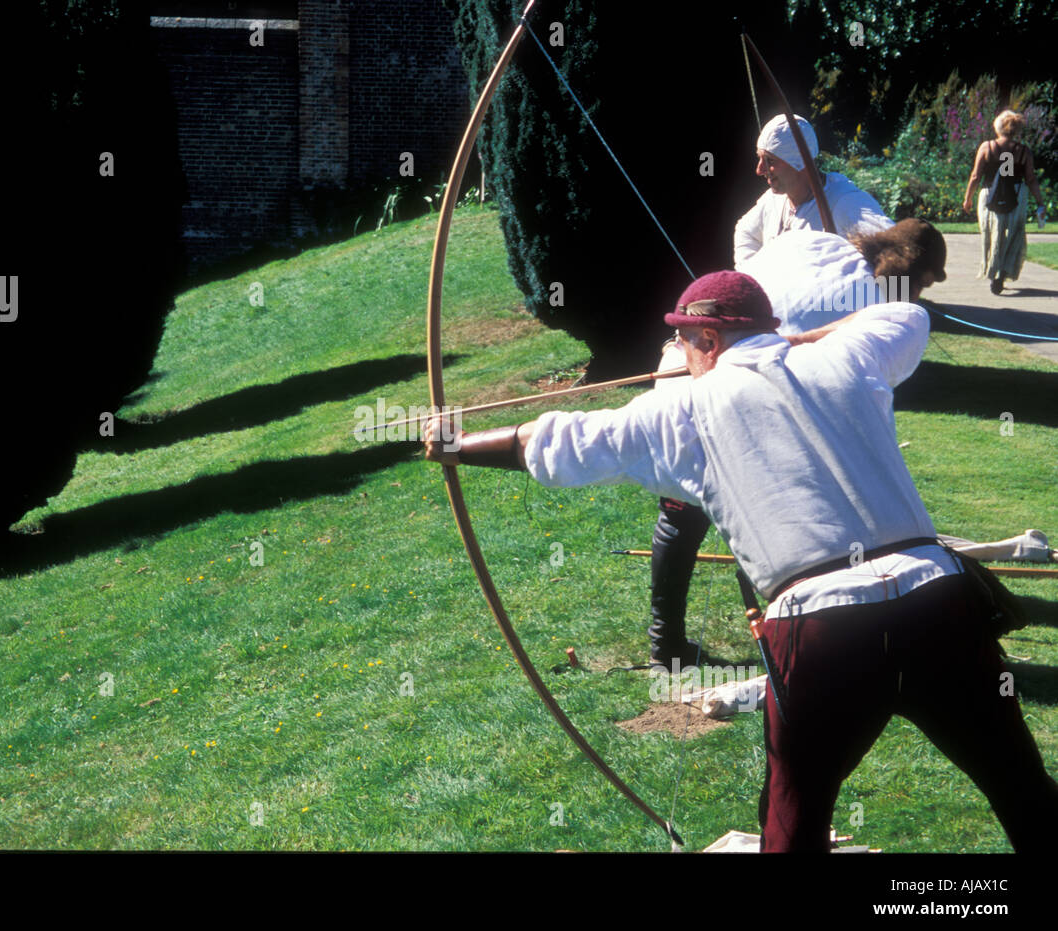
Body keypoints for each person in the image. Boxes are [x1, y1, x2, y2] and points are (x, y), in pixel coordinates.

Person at [424, 271, 1058, 852]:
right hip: (940, 603)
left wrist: (454, 444)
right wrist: (805, 337)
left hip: (821, 630)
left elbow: (555, 441)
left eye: (684, 342)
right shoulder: (847, 356)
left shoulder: (682, 408)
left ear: (707, 336)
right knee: (1025, 793)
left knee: (793, 827)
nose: (681, 357)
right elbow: (904, 316)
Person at [644, 220, 946, 670]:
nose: (919, 294)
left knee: (687, 513)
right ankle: (805, 641)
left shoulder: (819, 242)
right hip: (718, 376)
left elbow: (740, 280)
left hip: (694, 355)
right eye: (922, 283)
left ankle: (669, 646)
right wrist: (795, 341)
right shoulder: (877, 295)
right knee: (769, 514)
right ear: (911, 273)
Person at [734, 114, 893, 267]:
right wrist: (753, 276)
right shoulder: (773, 200)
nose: (759, 169)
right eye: (759, 158)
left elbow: (894, 251)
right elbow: (745, 232)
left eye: (769, 160)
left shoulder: (845, 203)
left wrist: (898, 294)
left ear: (799, 162)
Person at [962, 109, 1046, 294]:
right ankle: (1003, 273)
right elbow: (1031, 179)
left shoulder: (987, 147)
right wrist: (1040, 202)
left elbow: (976, 175)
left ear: (998, 127)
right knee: (1012, 235)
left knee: (992, 233)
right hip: (1016, 195)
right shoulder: (1024, 151)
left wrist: (968, 198)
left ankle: (991, 270)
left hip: (990, 194)